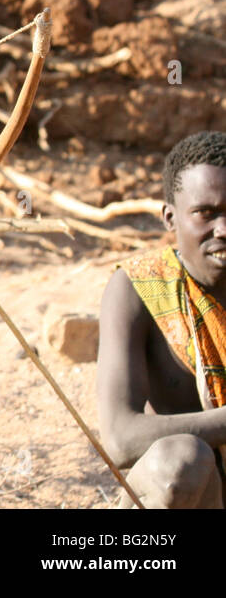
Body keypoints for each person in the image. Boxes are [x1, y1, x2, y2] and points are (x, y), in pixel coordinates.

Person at [99, 130, 226, 508]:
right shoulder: (138, 289)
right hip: (202, 496)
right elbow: (120, 438)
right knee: (180, 462)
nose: (223, 230)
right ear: (170, 217)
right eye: (206, 213)